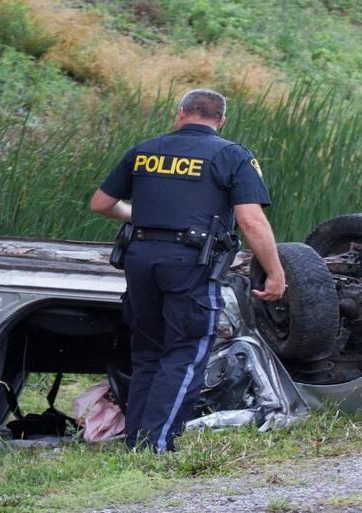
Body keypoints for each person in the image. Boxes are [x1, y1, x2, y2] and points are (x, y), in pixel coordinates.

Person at [88, 88, 286, 453]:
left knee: (147, 352)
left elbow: (101, 203)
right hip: (189, 264)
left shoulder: (143, 150)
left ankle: (139, 441)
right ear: (221, 121)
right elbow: (251, 220)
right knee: (185, 352)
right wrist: (275, 272)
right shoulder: (231, 155)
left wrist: (139, 216)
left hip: (140, 258)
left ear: (180, 113)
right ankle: (156, 446)